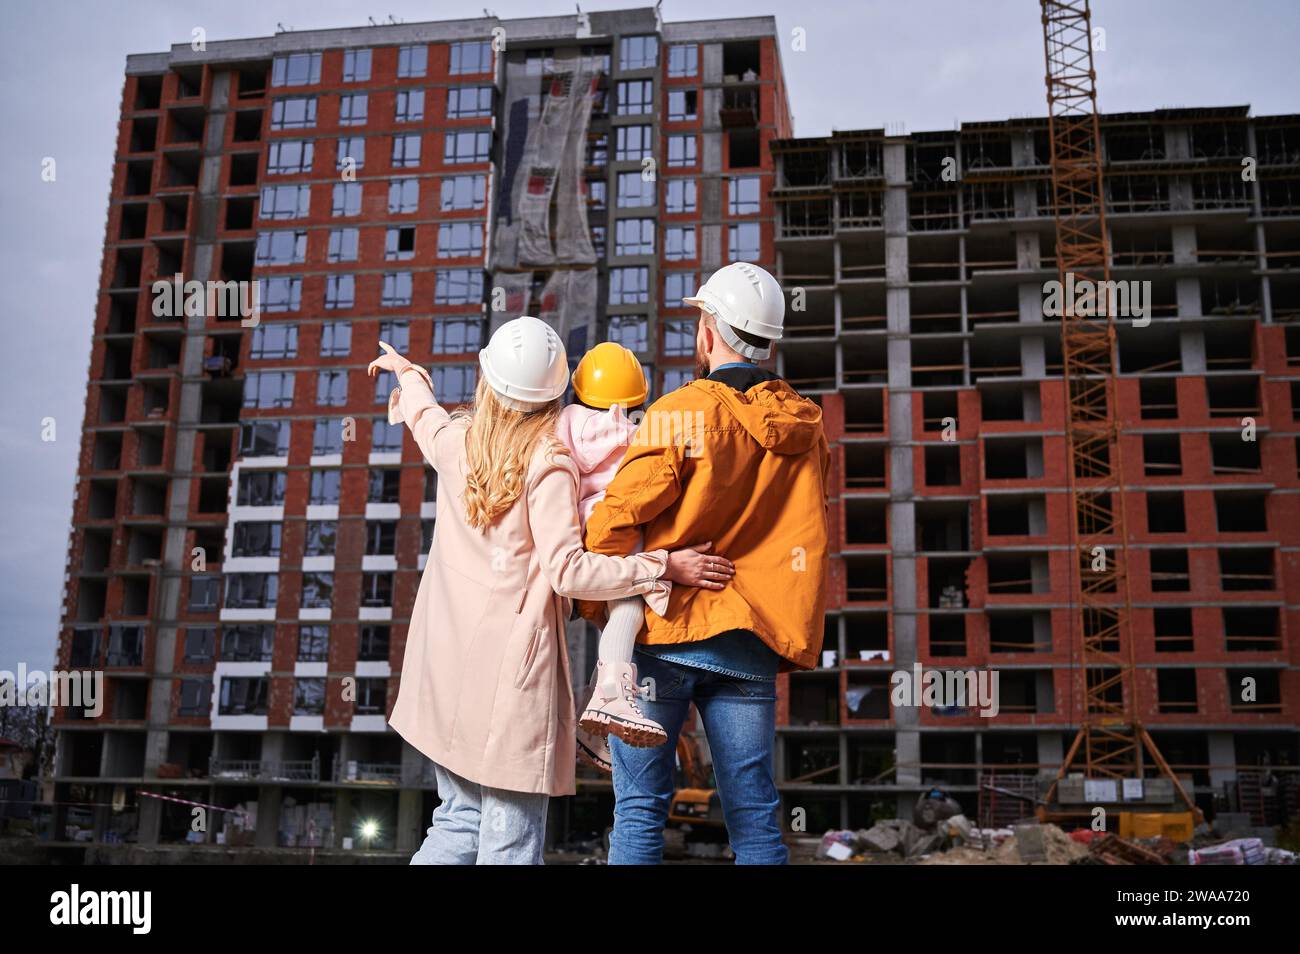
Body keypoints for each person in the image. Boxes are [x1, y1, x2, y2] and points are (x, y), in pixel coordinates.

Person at [369, 316, 733, 864]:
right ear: (557, 394)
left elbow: (423, 414)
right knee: (510, 843)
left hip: (441, 674)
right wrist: (659, 566)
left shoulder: (456, 441)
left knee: (456, 822)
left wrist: (407, 371)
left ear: (485, 378)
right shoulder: (549, 463)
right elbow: (569, 570)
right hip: (511, 684)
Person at [582, 262, 831, 865]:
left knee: (640, 808)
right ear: (769, 342)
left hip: (664, 636)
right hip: (749, 646)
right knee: (753, 813)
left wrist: (623, 591)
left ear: (708, 330)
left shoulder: (681, 412)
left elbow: (612, 524)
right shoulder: (807, 428)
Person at [553, 343, 732, 770]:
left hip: (574, 535)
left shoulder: (561, 425)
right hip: (617, 529)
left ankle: (595, 724)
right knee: (629, 609)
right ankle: (612, 693)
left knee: (610, 623)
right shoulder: (637, 431)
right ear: (637, 398)